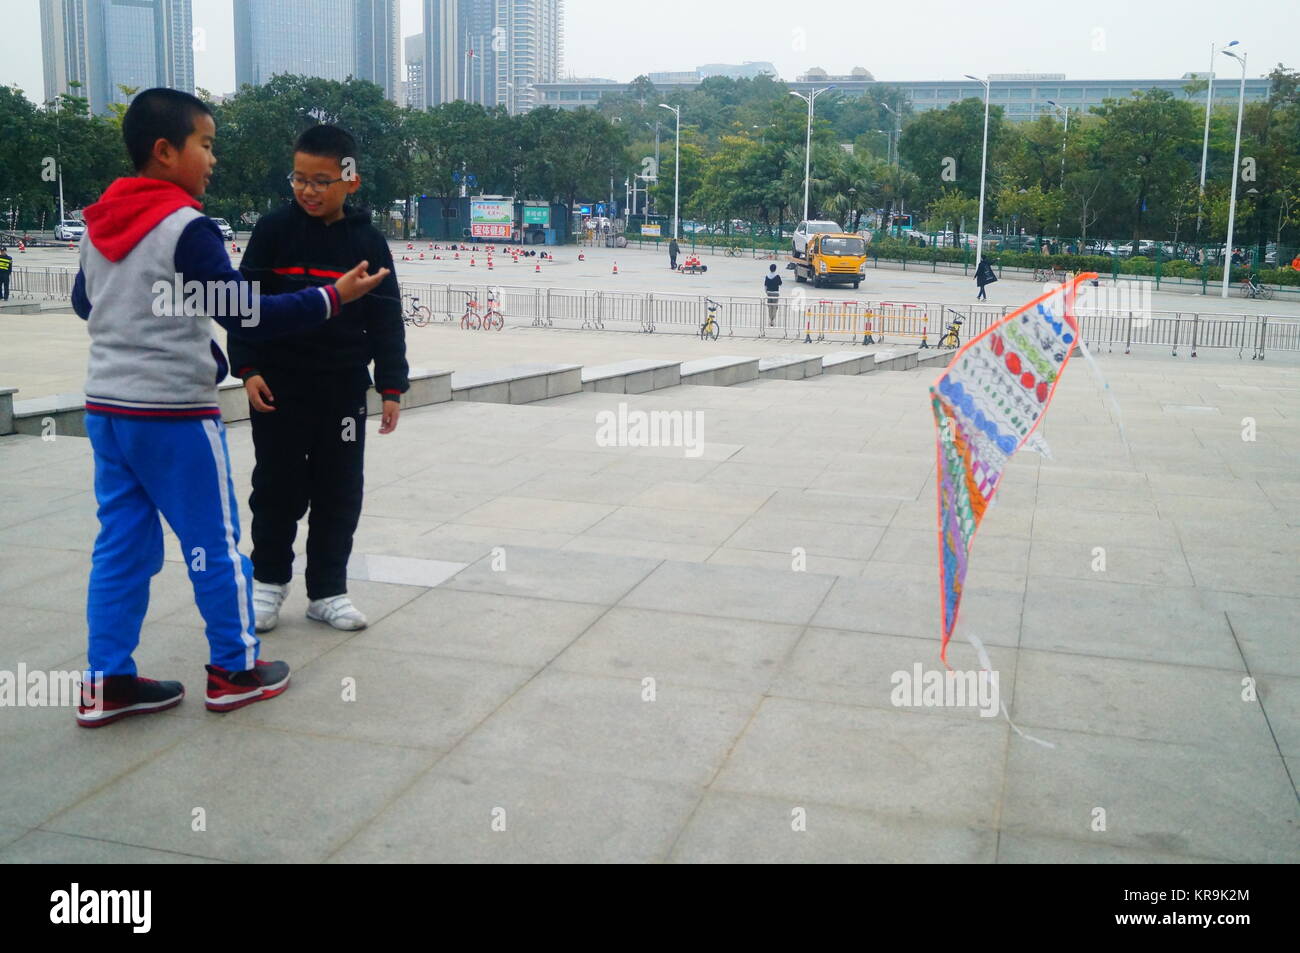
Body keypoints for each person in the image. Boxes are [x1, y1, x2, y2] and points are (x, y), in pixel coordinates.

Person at [71, 88, 387, 727]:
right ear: (166, 151)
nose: (213, 159)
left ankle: (107, 681)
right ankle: (234, 670)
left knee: (121, 548)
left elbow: (87, 304)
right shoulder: (187, 228)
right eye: (206, 145)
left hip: (106, 408)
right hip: (171, 415)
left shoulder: (97, 222)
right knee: (212, 544)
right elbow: (246, 311)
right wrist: (333, 297)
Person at [228, 124, 408, 634]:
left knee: (339, 490)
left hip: (343, 389)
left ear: (350, 180)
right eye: (300, 178)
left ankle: (328, 591)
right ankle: (267, 584)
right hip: (279, 385)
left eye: (321, 180)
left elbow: (386, 317)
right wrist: (248, 368)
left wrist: (391, 385)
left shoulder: (367, 240)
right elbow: (243, 306)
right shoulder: (272, 231)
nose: (307, 190)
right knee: (276, 486)